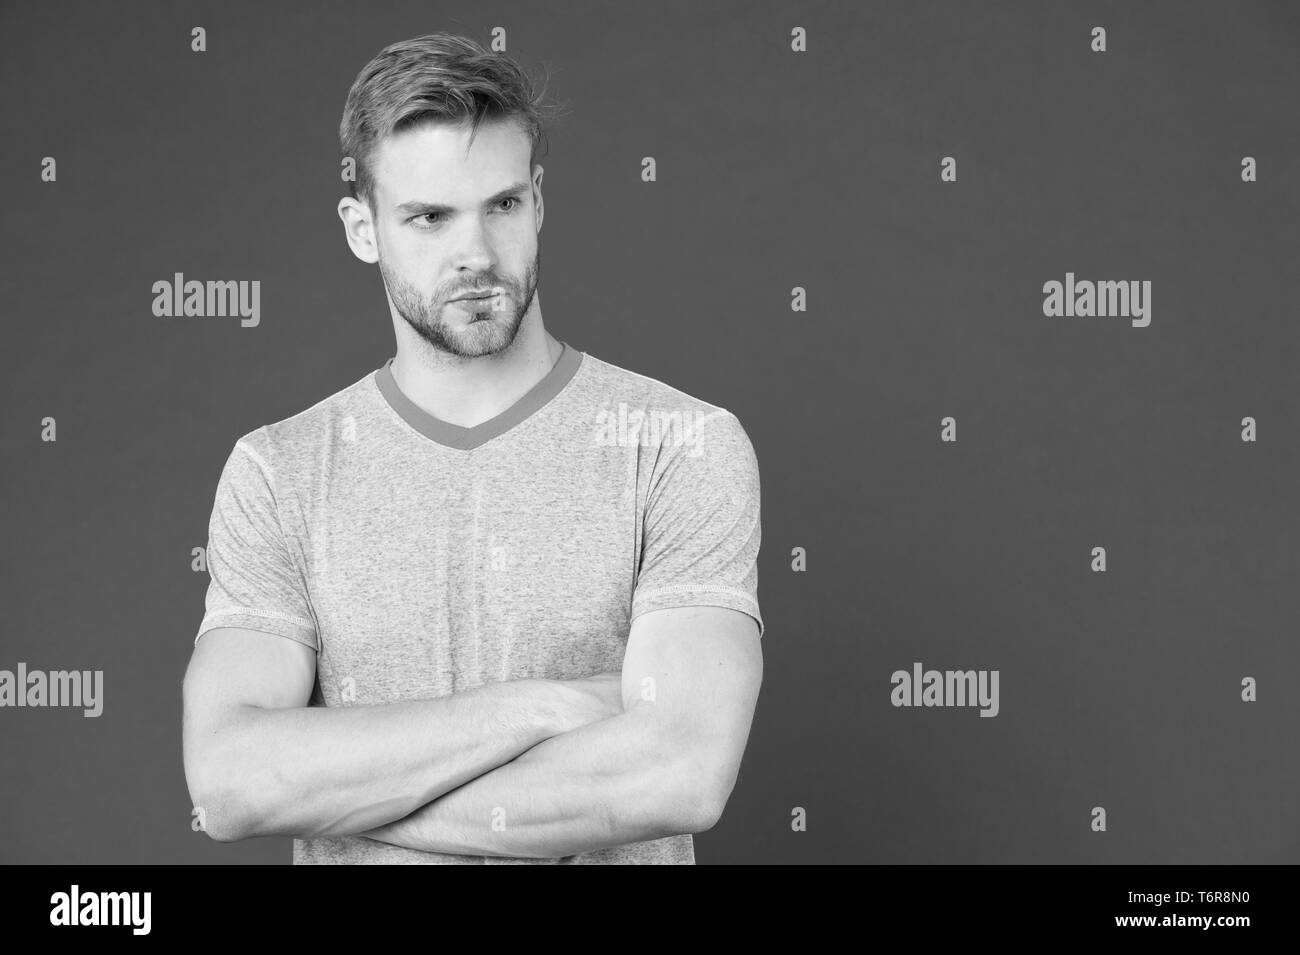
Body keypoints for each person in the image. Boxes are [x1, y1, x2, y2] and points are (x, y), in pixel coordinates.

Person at [181, 32, 764, 864]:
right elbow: (232, 781)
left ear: (538, 200)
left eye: (503, 205)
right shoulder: (278, 473)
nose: (478, 256)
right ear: (362, 227)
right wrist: (544, 706)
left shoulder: (681, 447)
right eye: (428, 217)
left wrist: (338, 793)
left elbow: (679, 773)